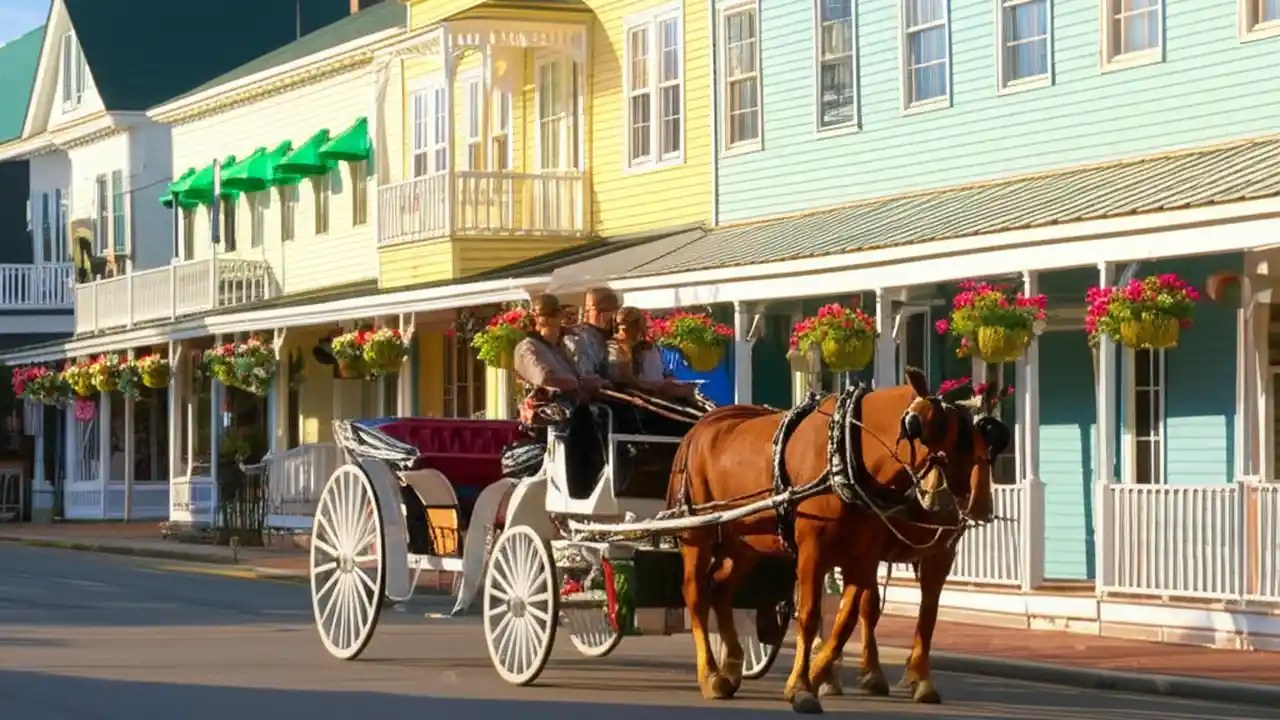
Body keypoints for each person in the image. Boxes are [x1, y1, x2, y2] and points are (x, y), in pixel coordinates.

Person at [512, 294, 602, 425]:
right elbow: (543, 377)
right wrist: (577, 383)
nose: (553, 319)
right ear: (536, 319)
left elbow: (575, 377)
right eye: (548, 315)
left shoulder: (560, 348)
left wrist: (593, 382)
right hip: (546, 421)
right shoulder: (528, 347)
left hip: (572, 413)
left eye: (555, 314)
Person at [609, 307, 696, 401]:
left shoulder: (646, 348)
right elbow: (628, 382)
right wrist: (658, 387)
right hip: (639, 399)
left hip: (652, 393)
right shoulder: (616, 349)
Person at [563, 286, 620, 383]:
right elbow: (586, 375)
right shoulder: (581, 338)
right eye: (587, 309)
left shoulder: (613, 336)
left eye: (590, 308)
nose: (586, 313)